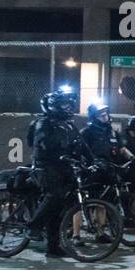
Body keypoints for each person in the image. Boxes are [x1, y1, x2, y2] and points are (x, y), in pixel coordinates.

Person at [29, 87, 86, 258]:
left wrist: (92, 161)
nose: (68, 107)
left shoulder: (68, 125)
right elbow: (41, 143)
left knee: (59, 208)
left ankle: (53, 247)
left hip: (63, 168)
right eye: (63, 104)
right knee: (53, 196)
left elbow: (82, 144)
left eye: (68, 104)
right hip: (46, 167)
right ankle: (33, 226)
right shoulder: (43, 123)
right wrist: (60, 151)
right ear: (53, 106)